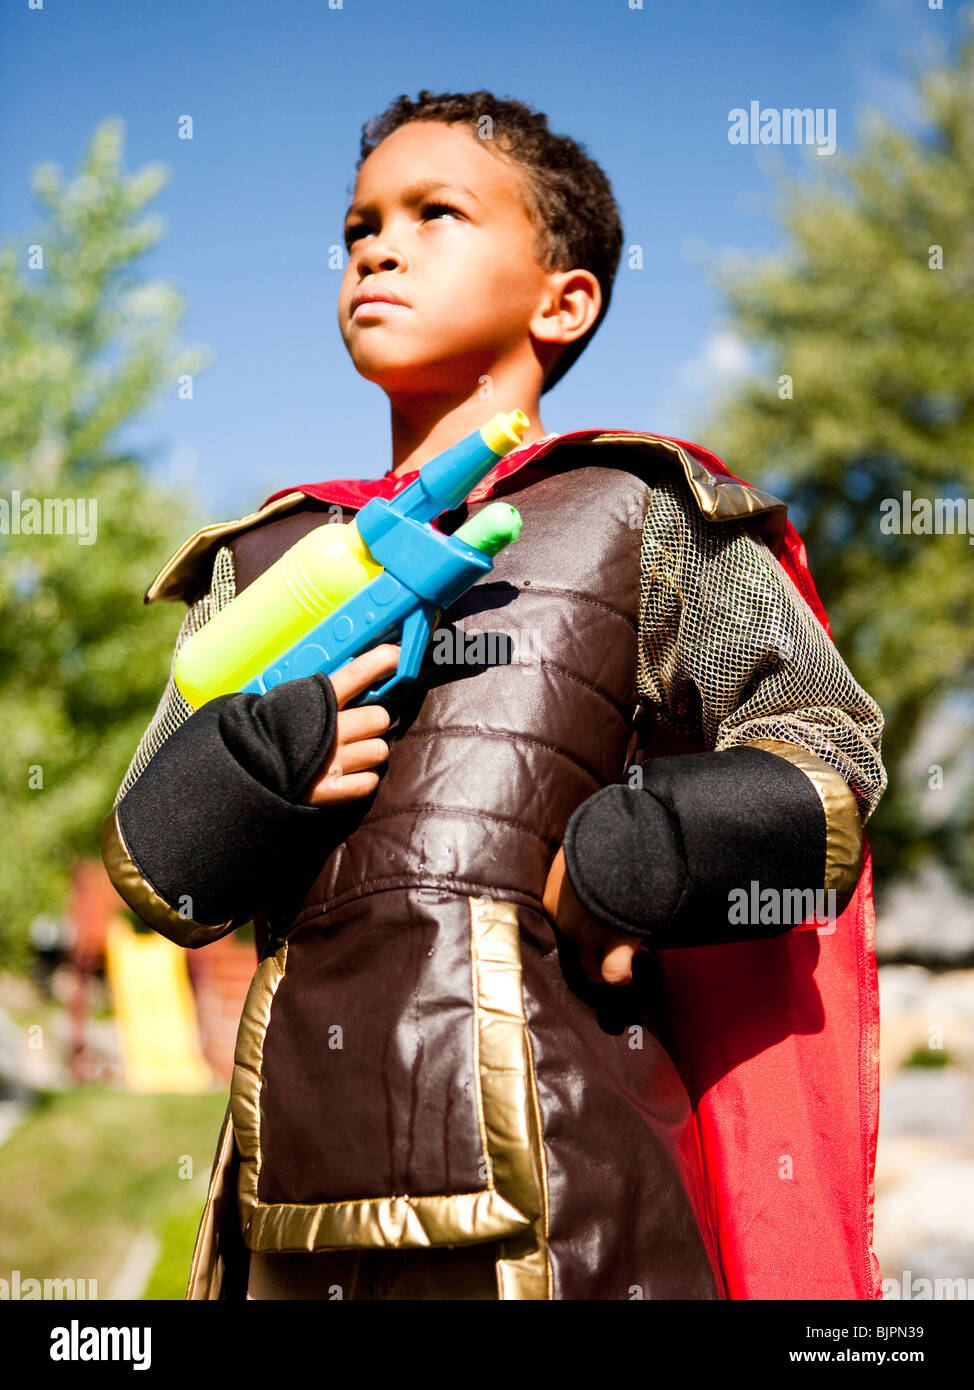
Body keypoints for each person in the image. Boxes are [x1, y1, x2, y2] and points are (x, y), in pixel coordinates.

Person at [101, 89, 887, 1301]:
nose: (376, 244)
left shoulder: (642, 506)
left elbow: (831, 751)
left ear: (561, 299)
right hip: (290, 1201)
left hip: (581, 1197)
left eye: (434, 212)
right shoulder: (260, 560)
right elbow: (160, 881)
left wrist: (660, 842)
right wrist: (245, 772)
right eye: (361, 221)